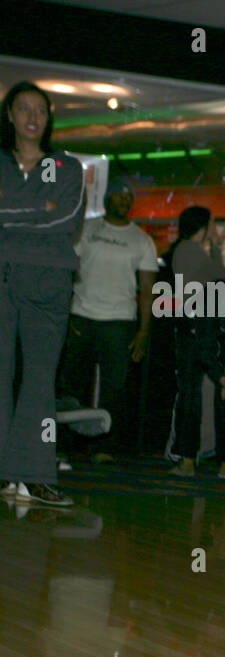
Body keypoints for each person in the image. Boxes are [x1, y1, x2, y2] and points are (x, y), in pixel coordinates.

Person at [0, 81, 84, 508]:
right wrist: (38, 209)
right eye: (24, 108)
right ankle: (4, 473)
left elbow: (66, 219)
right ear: (9, 115)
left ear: (49, 118)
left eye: (41, 110)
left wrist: (12, 210)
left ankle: (35, 475)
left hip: (49, 281)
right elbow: (46, 214)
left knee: (40, 381)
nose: (33, 117)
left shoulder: (62, 166)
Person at [57, 179, 157, 463]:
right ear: (107, 199)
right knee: (69, 385)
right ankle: (61, 445)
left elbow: (147, 290)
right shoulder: (87, 230)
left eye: (128, 197)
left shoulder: (142, 240)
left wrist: (143, 331)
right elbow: (65, 274)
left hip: (119, 321)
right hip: (81, 316)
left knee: (115, 388)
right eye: (119, 195)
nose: (124, 200)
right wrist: (64, 315)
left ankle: (103, 448)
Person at [166, 206, 225, 480]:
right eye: (212, 223)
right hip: (196, 328)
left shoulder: (188, 250)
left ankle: (193, 458)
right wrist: (217, 247)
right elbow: (221, 277)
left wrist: (216, 247)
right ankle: (194, 457)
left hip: (197, 327)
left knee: (199, 394)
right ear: (203, 225)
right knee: (196, 394)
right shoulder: (189, 250)